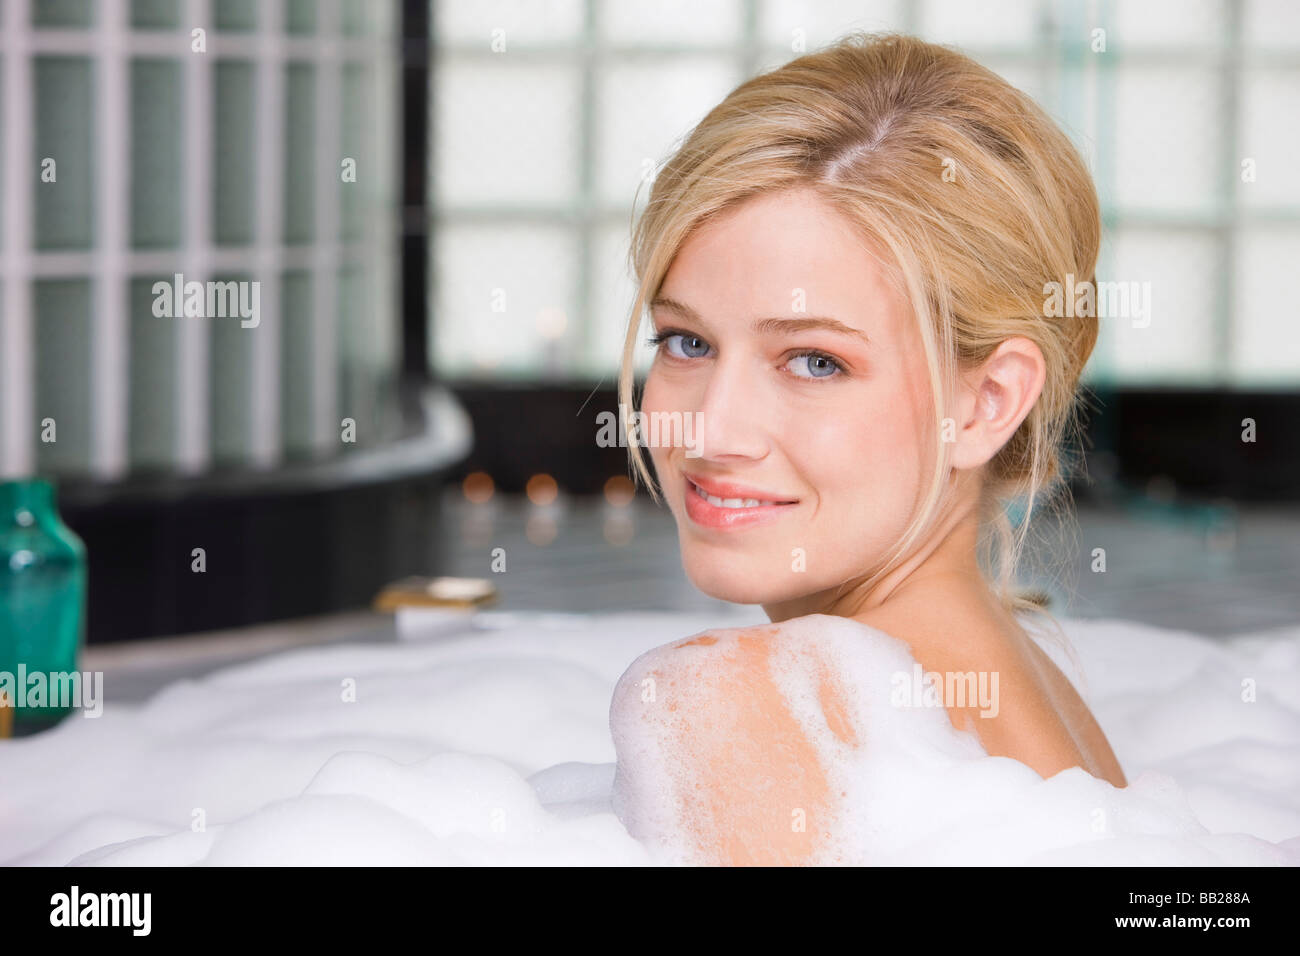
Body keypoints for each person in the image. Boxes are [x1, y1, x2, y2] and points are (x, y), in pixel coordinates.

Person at [609, 31, 1127, 866]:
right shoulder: (1027, 692)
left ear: (989, 402)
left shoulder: (743, 705)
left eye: (815, 361)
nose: (706, 432)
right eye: (685, 342)